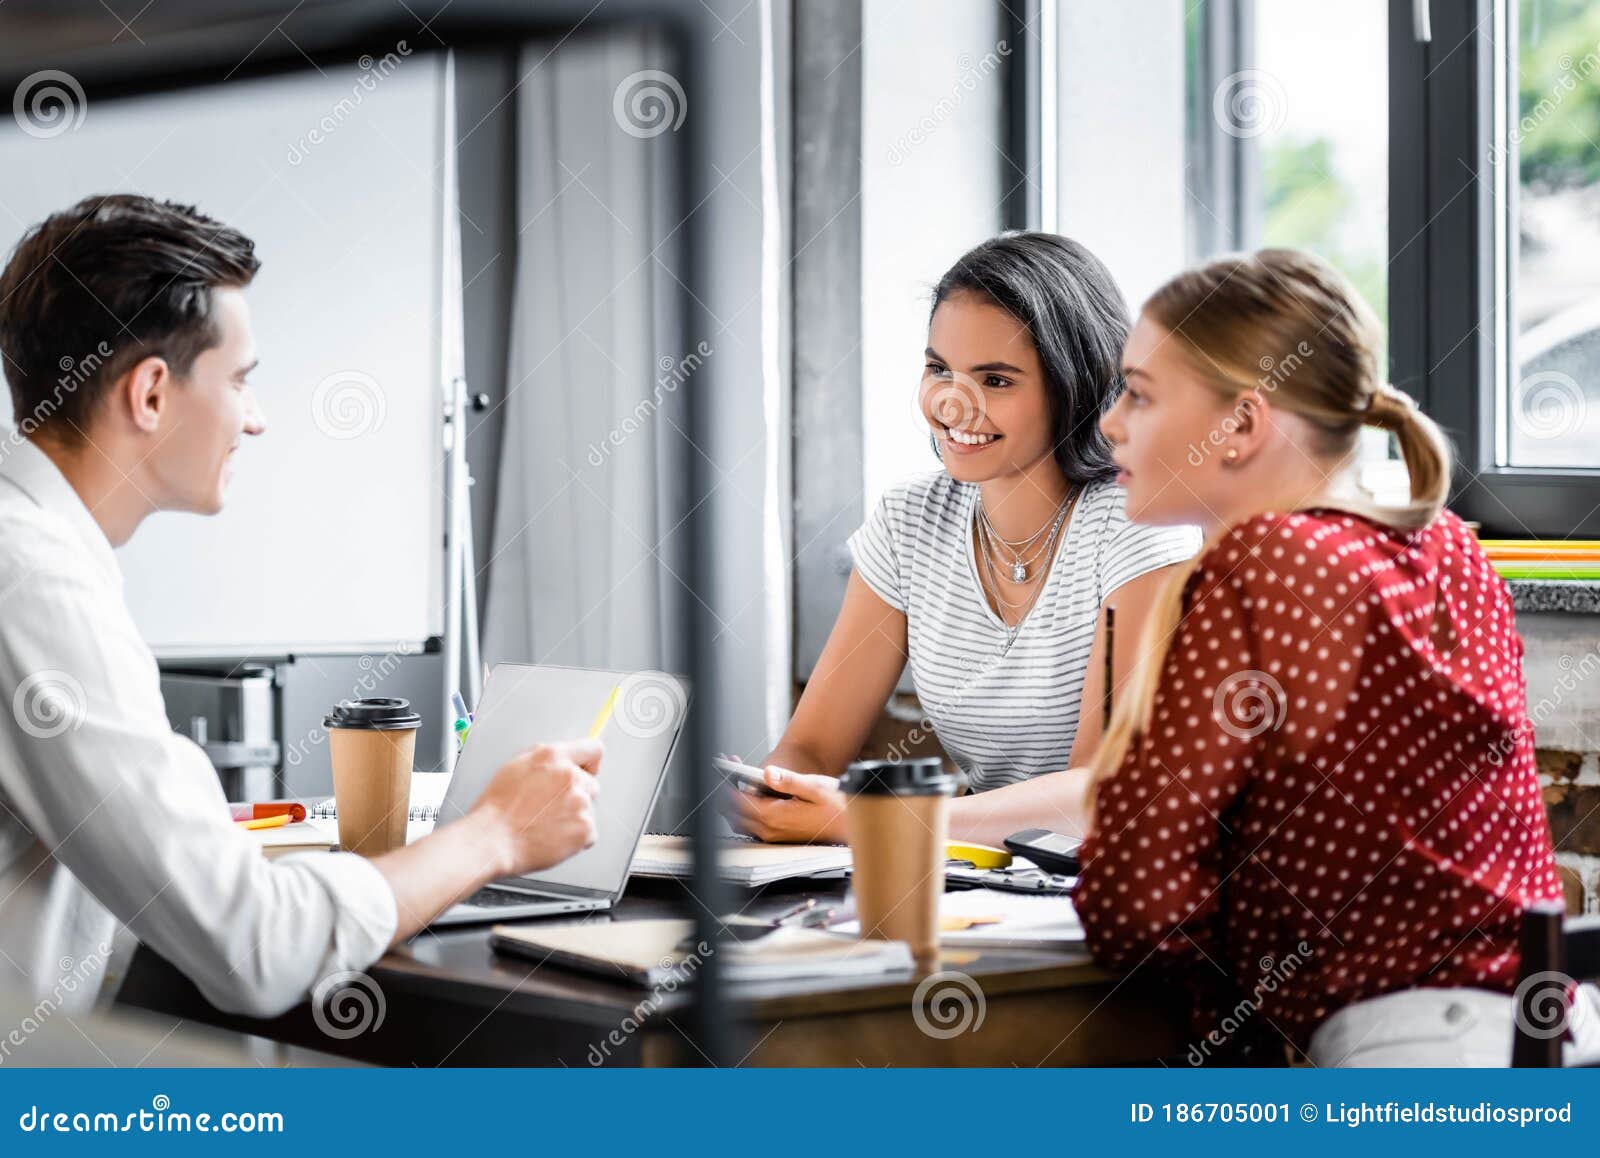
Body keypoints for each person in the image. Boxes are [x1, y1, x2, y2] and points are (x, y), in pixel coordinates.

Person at [0, 194, 600, 1018]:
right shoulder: (34, 581)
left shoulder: (34, 551)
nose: (256, 418)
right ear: (149, 394)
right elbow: (255, 947)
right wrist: (495, 833)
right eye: (241, 381)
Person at [1071, 247, 1569, 1066]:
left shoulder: (1263, 559)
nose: (1110, 423)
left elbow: (1139, 894)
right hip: (1543, 1030)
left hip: (1402, 1060)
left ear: (1242, 425)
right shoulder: (1445, 543)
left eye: (1138, 393)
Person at [730, 233, 1200, 846]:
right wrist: (776, 796)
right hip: (984, 879)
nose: (952, 403)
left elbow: (1100, 791)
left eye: (997, 380)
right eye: (938, 369)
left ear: (1073, 384)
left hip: (1128, 884)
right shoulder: (910, 521)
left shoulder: (1138, 523)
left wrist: (870, 824)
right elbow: (812, 748)